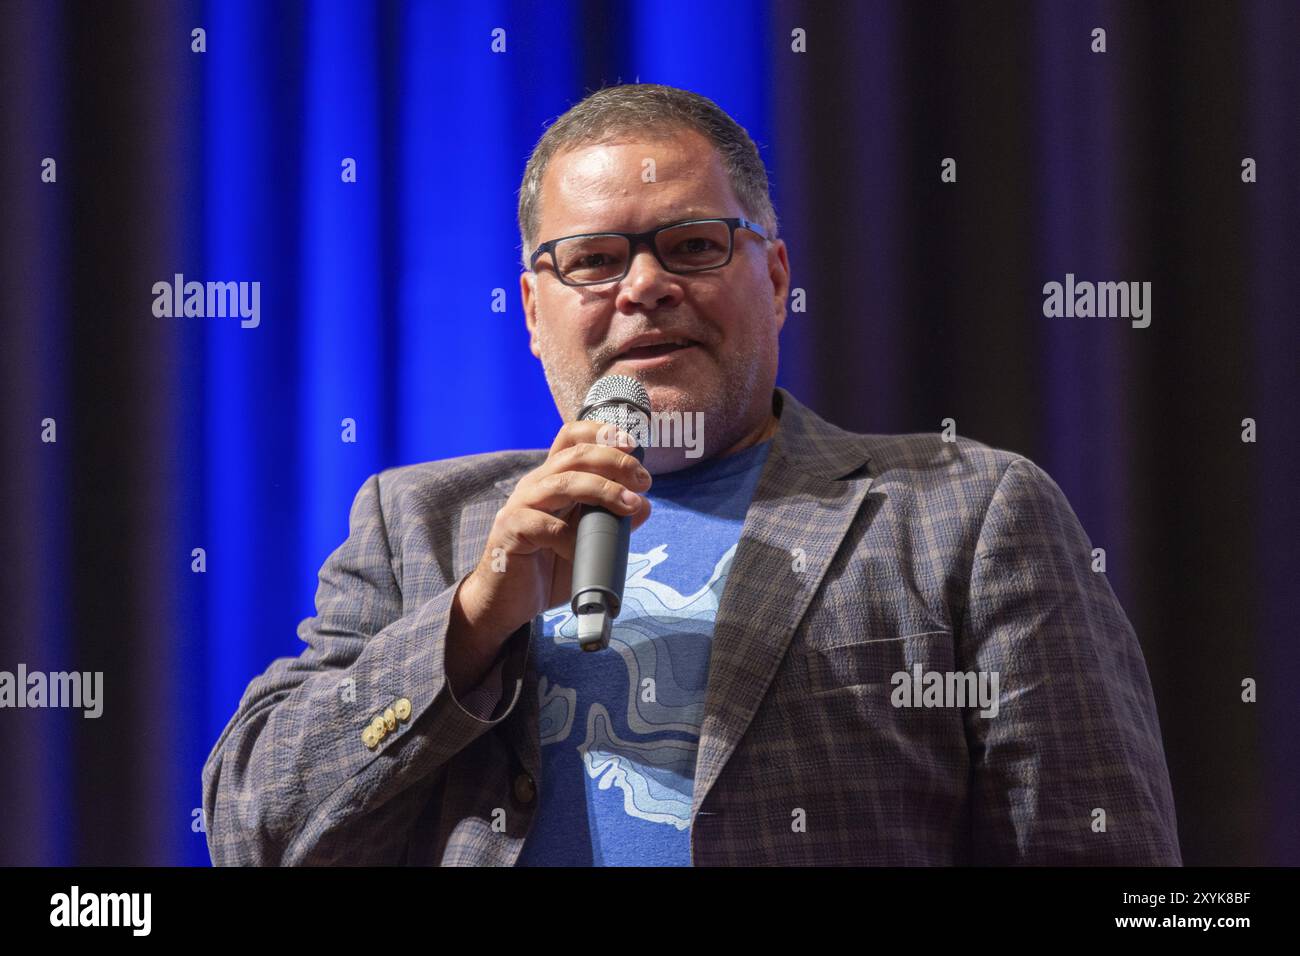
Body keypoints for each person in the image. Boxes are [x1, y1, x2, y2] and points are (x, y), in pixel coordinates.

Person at [202, 83, 1181, 866]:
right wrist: (471, 617)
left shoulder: (963, 511)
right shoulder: (416, 521)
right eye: (591, 258)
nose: (644, 285)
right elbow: (253, 827)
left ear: (776, 277)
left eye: (692, 244)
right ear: (533, 311)